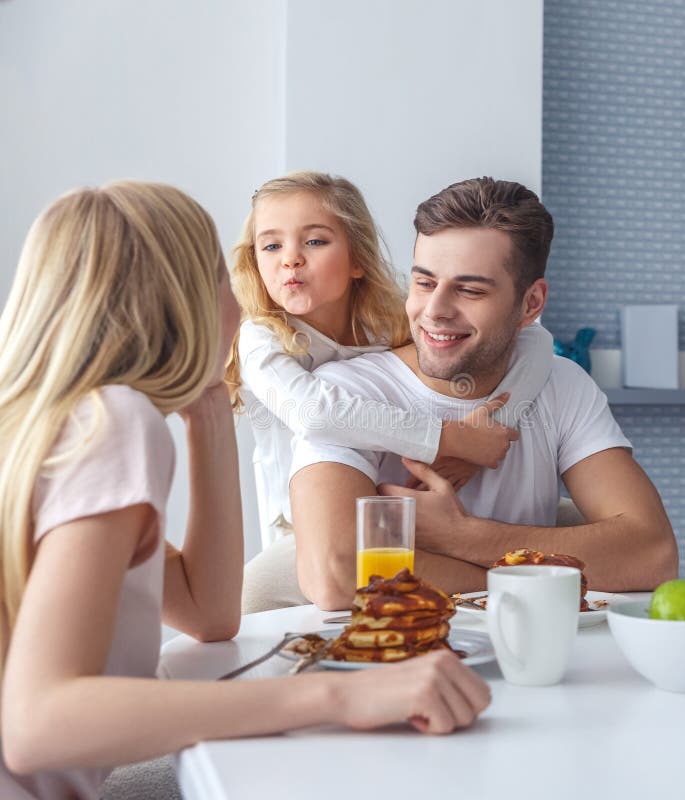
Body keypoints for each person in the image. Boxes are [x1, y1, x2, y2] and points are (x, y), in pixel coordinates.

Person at [0, 182, 491, 800]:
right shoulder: (113, 424)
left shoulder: (60, 423)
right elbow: (36, 725)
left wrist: (209, 411)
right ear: (181, 302)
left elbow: (209, 616)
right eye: (224, 278)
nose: (244, 301)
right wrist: (337, 695)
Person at [288, 177, 679, 610]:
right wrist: (524, 578)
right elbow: (337, 575)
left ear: (531, 304)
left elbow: (652, 553)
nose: (434, 310)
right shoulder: (345, 395)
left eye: (470, 289)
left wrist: (463, 534)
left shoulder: (561, 385)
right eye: (423, 283)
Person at [225, 172, 555, 611]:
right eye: (271, 246)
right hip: (314, 527)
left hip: (409, 501)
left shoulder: (388, 323)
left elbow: (536, 341)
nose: (290, 260)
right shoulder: (260, 339)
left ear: (358, 258)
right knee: (259, 592)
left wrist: (492, 430)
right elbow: (313, 413)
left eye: (315, 242)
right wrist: (450, 438)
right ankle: (518, 583)